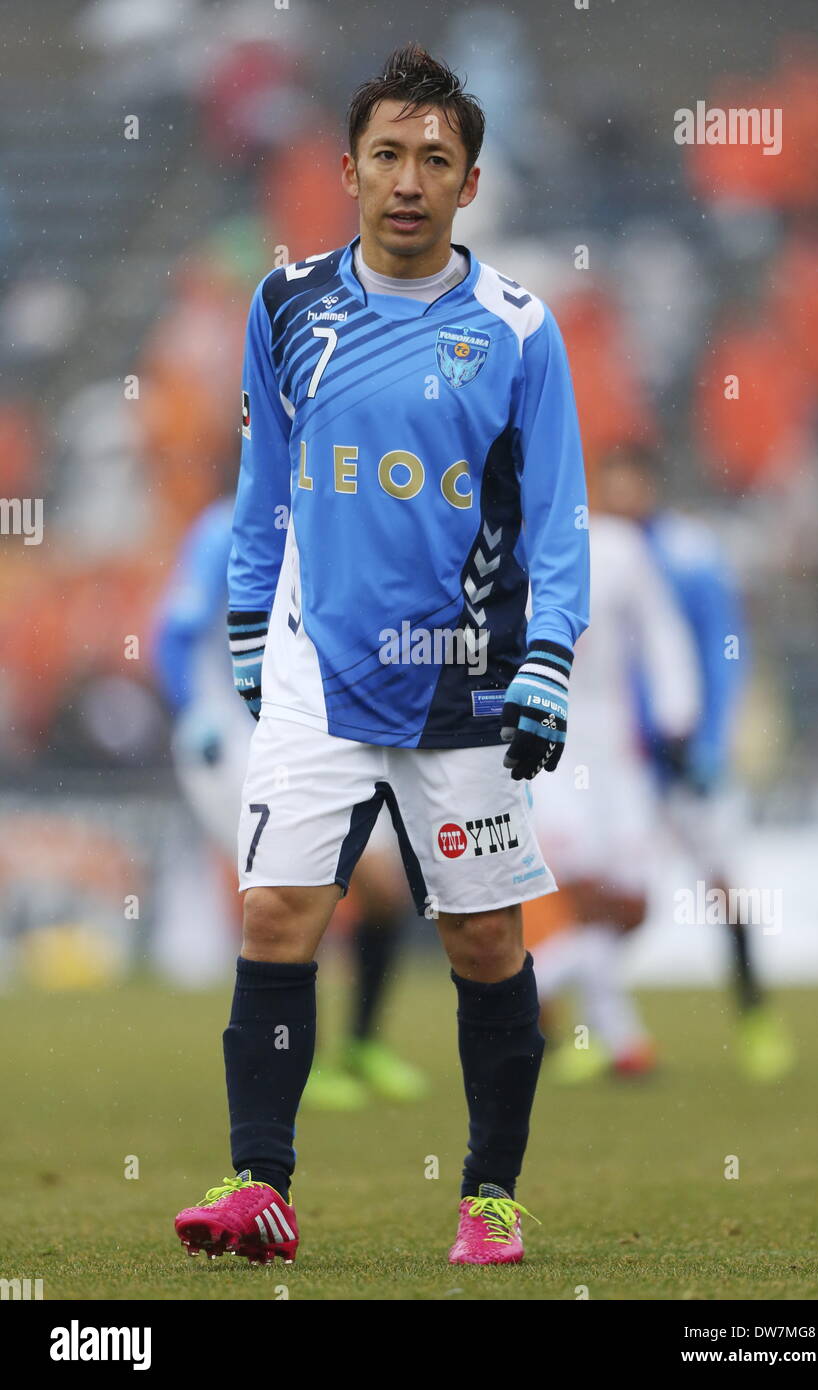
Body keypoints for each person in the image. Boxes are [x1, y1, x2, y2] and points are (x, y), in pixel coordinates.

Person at [173, 42, 589, 1268]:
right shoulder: (286, 303)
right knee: (278, 912)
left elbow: (558, 515)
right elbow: (263, 487)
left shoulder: (517, 331)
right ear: (347, 168)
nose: (409, 179)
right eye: (387, 156)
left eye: (435, 160)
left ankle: (490, 1196)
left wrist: (549, 656)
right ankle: (260, 1184)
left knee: (484, 941)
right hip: (316, 661)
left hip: (464, 672)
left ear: (469, 183)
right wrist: (252, 626)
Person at [152, 495, 427, 1103]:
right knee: (289, 891)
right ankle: (303, 1066)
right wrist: (193, 709)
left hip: (317, 726)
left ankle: (359, 1045)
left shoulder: (345, 521)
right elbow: (173, 635)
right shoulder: (225, 529)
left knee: (383, 887)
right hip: (231, 732)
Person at [600, 443, 795, 1081]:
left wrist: (709, 739)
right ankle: (601, 1028)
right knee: (600, 892)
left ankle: (755, 1016)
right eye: (611, 487)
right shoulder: (592, 556)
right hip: (618, 758)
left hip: (685, 754)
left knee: (722, 885)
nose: (620, 498)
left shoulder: (689, 553)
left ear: (651, 485)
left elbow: (722, 648)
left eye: (630, 485)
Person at [525, 506, 701, 1080]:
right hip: (546, 737)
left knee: (632, 900)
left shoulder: (620, 546)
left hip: (615, 744)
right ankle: (622, 1036)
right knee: (580, 886)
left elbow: (661, 629)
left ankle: (523, 988)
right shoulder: (504, 539)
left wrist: (678, 714)